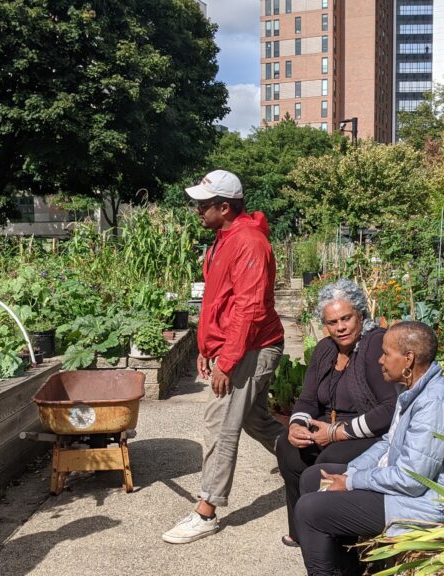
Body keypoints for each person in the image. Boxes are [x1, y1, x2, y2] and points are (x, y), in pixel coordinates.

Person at [294, 321, 444, 576]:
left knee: (309, 510)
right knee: (314, 477)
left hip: (427, 504)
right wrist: (352, 472)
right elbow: (388, 443)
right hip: (404, 489)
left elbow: (413, 479)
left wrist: (351, 481)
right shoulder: (412, 389)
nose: (380, 360)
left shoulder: (434, 403)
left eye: (386, 353)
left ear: (408, 359)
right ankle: (347, 569)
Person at [162, 169, 286, 544]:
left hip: (252, 347)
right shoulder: (223, 238)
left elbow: (249, 309)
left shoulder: (248, 242)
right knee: (255, 421)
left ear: (225, 206)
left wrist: (227, 361)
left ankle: (207, 511)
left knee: (220, 425)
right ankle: (306, 461)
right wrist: (206, 347)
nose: (197, 211)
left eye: (203, 205)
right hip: (239, 344)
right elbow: (218, 300)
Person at [276, 279, 402, 548]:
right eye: (333, 322)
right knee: (287, 447)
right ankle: (301, 528)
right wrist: (297, 425)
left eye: (346, 318)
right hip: (328, 427)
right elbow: (308, 399)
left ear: (360, 314)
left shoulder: (374, 345)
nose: (341, 327)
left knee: (329, 457)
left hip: (371, 433)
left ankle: (334, 532)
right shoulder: (325, 349)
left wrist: (335, 434)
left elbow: (390, 409)